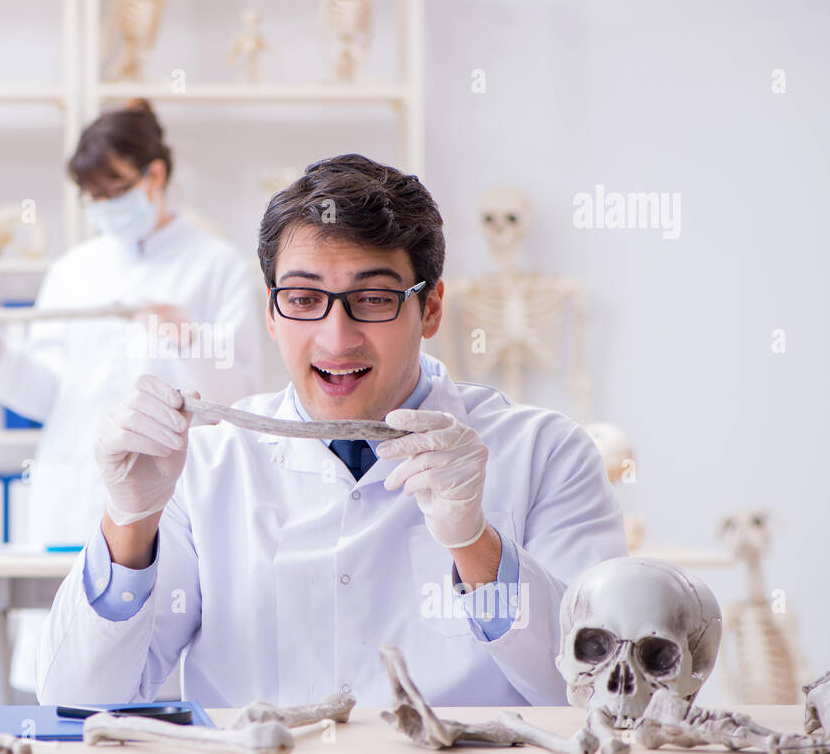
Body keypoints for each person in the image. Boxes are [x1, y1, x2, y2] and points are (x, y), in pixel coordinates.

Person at [35, 153, 628, 708]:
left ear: (432, 308)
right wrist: (128, 523)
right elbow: (77, 700)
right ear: (270, 311)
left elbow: (604, 695)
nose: (336, 338)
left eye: (373, 298)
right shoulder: (207, 464)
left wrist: (476, 546)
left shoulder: (547, 453)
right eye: (303, 298)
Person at [0, 99, 266, 695]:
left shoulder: (216, 265)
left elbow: (241, 393)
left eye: (116, 188)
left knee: (156, 668)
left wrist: (190, 336)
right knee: (72, 674)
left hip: (171, 493)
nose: (106, 206)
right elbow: (50, 395)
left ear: (155, 175)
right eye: (94, 195)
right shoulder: (75, 269)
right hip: (71, 489)